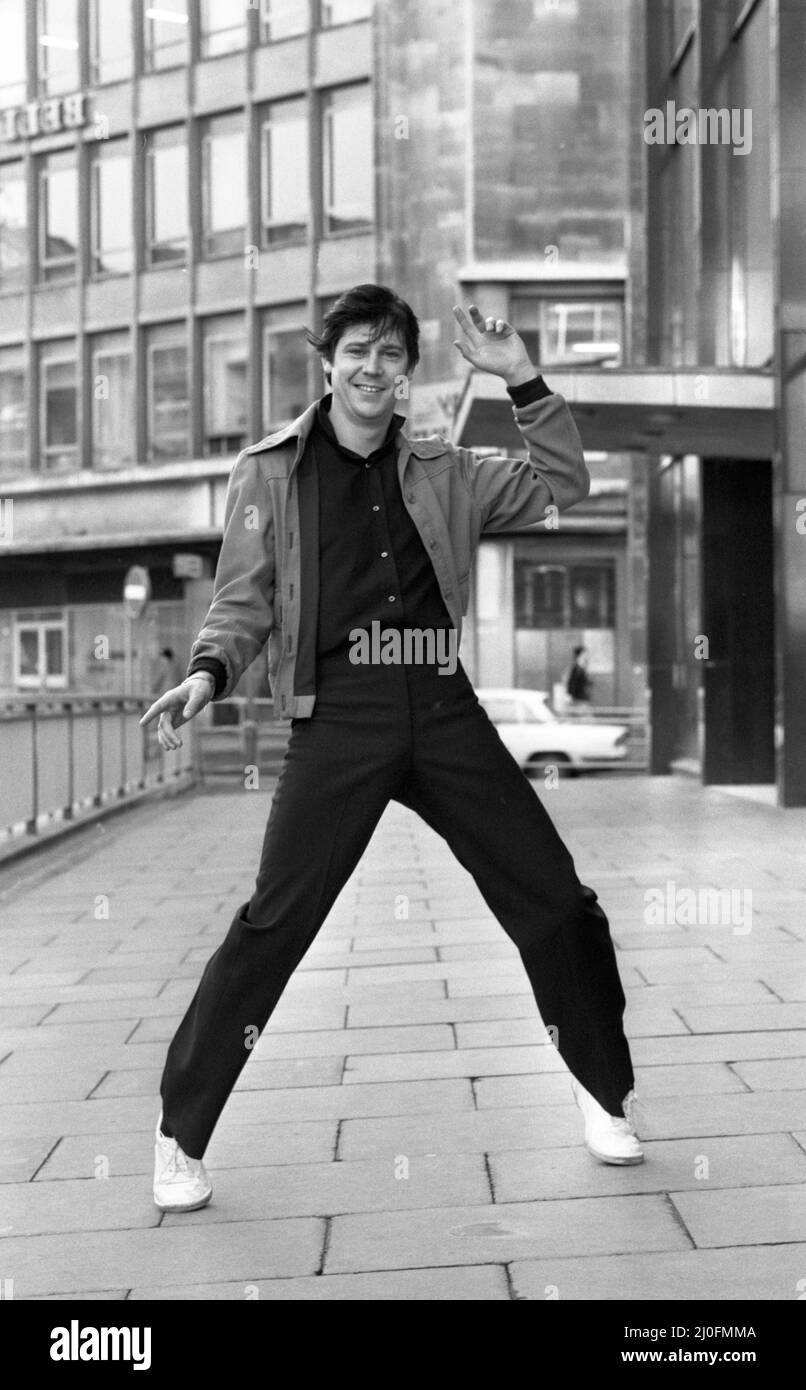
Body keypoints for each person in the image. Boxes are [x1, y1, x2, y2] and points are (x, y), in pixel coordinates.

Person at [140, 285, 642, 1213]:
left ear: (410, 370)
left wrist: (523, 377)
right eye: (358, 351)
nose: (375, 370)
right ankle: (180, 1133)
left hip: (443, 705)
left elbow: (563, 487)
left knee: (556, 900)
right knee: (273, 925)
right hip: (339, 715)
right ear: (325, 359)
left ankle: (601, 1089)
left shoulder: (444, 467)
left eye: (393, 355)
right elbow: (243, 598)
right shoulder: (271, 472)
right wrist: (209, 673)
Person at [565, 644, 593, 714]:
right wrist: (570, 696)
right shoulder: (576, 669)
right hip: (578, 700)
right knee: (585, 721)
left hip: (582, 699)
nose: (587, 656)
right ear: (581, 655)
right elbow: (571, 684)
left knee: (585, 721)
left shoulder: (582, 668)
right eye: (585, 653)